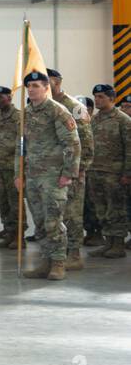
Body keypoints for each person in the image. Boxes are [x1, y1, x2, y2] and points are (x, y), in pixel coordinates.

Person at [17, 71, 80, 280]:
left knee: (54, 220)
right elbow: (20, 146)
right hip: (33, 175)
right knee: (40, 222)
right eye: (29, 86)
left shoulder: (57, 111)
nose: (32, 89)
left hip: (53, 177)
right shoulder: (26, 112)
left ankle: (59, 262)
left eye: (36, 85)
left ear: (46, 88)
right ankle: (45, 261)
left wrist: (68, 173)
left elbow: (72, 143)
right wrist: (19, 173)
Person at [48, 69, 93, 271]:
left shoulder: (74, 107)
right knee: (55, 214)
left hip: (71, 170)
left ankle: (74, 254)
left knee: (73, 213)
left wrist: (79, 169)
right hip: (50, 172)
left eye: (46, 81)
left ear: (56, 82)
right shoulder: (42, 107)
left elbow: (86, 141)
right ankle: (59, 252)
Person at [86, 84, 131, 258]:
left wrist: (127, 173)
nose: (97, 99)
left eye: (101, 97)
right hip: (96, 171)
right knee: (101, 209)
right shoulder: (95, 120)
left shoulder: (123, 120)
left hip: (115, 173)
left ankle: (118, 245)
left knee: (116, 209)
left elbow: (129, 149)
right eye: (96, 96)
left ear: (112, 98)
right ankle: (108, 242)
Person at [0, 86, 25, 249]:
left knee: (15, 203)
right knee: (3, 203)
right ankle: (9, 232)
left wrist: (21, 168)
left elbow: (23, 143)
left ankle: (19, 235)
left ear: (9, 98)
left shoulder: (18, 117)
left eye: (1, 97)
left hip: (12, 168)